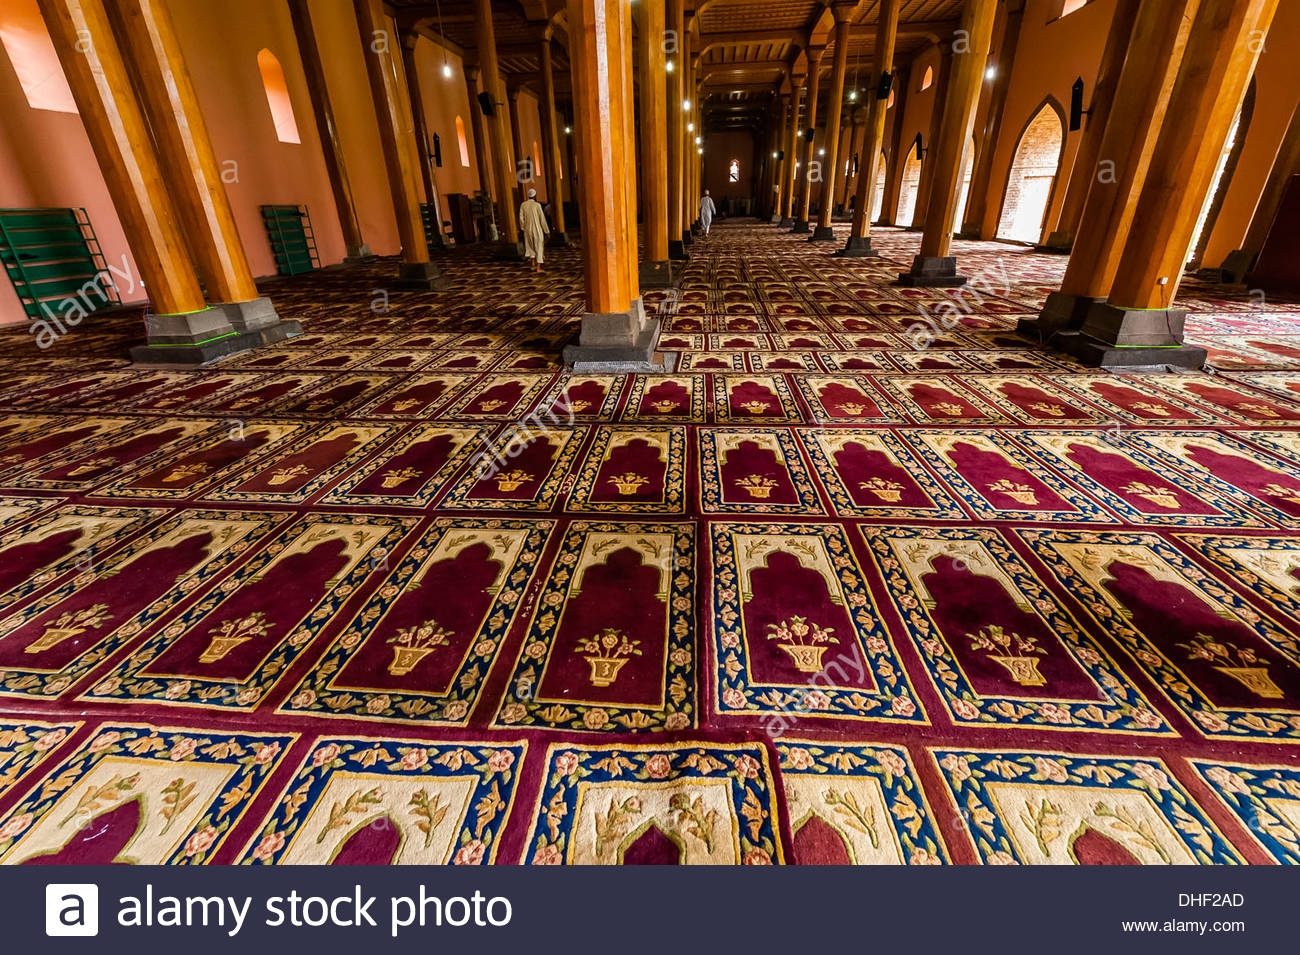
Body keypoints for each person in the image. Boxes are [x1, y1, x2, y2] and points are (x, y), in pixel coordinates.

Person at [519, 188, 548, 272]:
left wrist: (523, 227)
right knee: (538, 246)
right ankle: (538, 267)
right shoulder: (537, 205)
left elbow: (521, 218)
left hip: (527, 229)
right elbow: (542, 219)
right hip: (537, 229)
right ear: (535, 195)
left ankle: (533, 264)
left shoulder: (523, 205)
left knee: (530, 245)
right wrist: (546, 231)